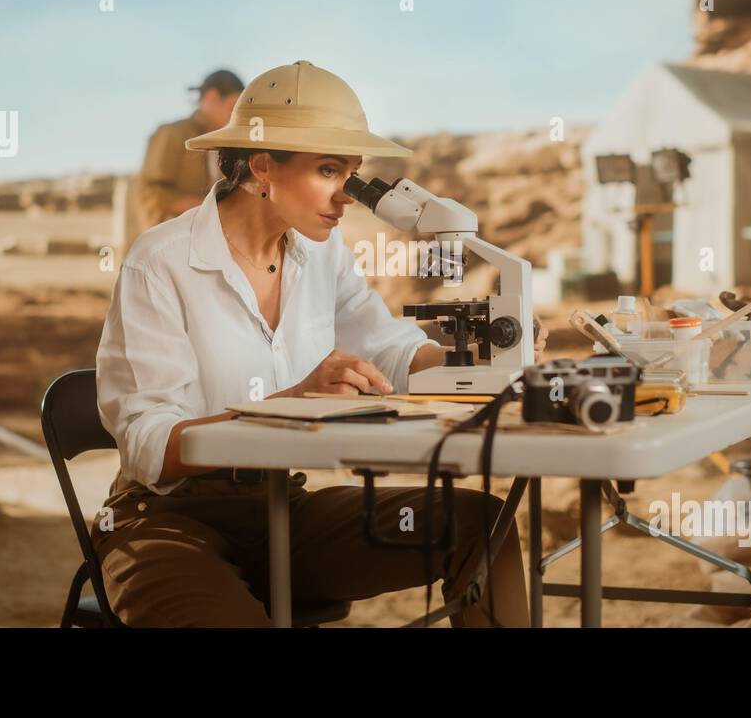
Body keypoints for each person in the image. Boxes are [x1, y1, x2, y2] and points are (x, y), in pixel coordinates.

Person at [93, 60, 548, 627]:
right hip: (167, 519)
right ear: (262, 166)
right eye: (330, 171)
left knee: (482, 521)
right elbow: (146, 443)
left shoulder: (320, 253)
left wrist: (486, 355)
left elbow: (391, 352)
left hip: (284, 506)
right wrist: (289, 403)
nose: (348, 195)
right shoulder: (160, 262)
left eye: (353, 173)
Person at [123, 69, 243, 253]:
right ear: (211, 97)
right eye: (232, 106)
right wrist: (212, 208)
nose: (235, 115)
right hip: (168, 249)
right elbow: (151, 194)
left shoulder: (226, 144)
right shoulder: (172, 134)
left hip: (206, 246)